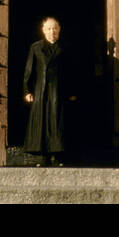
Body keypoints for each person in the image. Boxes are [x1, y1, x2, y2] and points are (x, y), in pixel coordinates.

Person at [22, 16, 76, 166]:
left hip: (59, 91)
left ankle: (58, 156)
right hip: (41, 90)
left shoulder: (65, 48)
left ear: (59, 30)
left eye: (55, 28)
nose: (53, 32)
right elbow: (29, 70)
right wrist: (27, 90)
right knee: (41, 122)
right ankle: (41, 157)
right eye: (49, 29)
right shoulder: (36, 48)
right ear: (43, 30)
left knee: (58, 122)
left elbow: (72, 71)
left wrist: (72, 92)